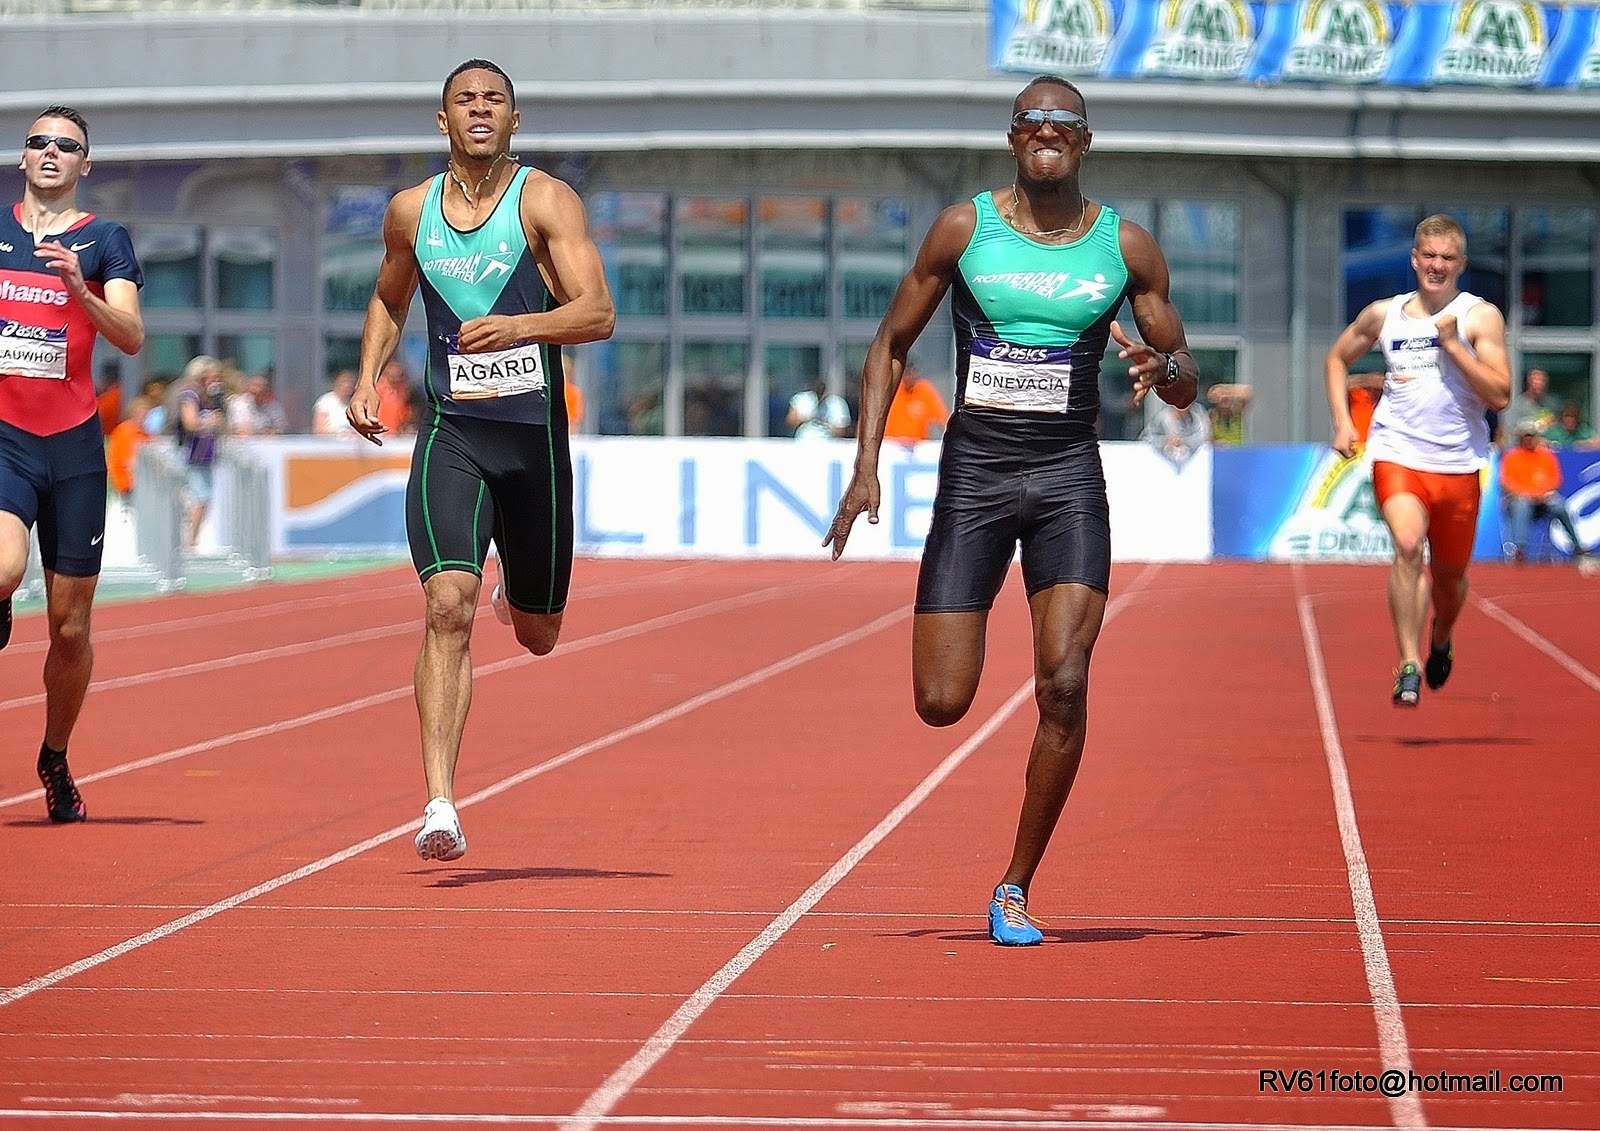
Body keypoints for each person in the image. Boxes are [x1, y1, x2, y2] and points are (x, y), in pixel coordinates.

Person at [824, 77, 1199, 946]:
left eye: (1063, 123)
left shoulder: (1127, 247)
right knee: (941, 701)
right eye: (1032, 121)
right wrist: (865, 465)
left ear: (1086, 141)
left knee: (1064, 680)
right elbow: (890, 344)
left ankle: (1014, 884)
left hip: (1068, 476)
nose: (1046, 132)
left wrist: (1161, 369)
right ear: (1012, 137)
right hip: (977, 477)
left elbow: (1181, 375)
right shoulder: (965, 230)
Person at [347, 59, 615, 862]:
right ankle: (439, 803)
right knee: (445, 606)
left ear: (515, 119)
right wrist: (366, 378)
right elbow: (391, 298)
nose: (479, 111)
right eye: (465, 101)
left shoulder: (544, 200)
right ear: (442, 122)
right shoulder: (409, 212)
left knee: (539, 635)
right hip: (452, 434)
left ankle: (518, 596)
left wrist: (522, 328)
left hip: (532, 443)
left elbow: (598, 312)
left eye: (493, 100)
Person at [0, 105, 145, 822]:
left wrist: (79, 290)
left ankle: (54, 755)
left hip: (76, 446)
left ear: (86, 165)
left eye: (68, 145)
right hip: (6, 437)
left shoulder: (105, 239)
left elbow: (133, 337)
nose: (52, 152)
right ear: (22, 157)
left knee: (69, 628)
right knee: (1, 567)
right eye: (39, 142)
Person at [1324, 214, 1511, 707]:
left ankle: (1442, 635)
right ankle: (1407, 662)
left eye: (1447, 258)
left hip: (1459, 464)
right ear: (1414, 258)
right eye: (1429, 255)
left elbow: (1502, 394)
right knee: (1407, 545)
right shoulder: (1385, 314)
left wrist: (1453, 345)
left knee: (1449, 581)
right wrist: (1343, 422)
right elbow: (1338, 357)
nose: (1436, 265)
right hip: (1397, 452)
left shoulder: (1479, 317)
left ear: (1461, 264)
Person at [1499, 419, 1589, 564]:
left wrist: (1541, 494)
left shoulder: (1545, 455)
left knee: (1559, 504)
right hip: (1521, 498)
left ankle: (1577, 546)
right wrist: (1528, 494)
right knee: (1521, 504)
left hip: (1543, 499)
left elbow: (1555, 480)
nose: (1529, 439)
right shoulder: (1512, 456)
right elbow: (1506, 483)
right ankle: (1521, 548)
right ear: (1520, 437)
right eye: (1526, 436)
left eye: (1532, 436)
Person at [175, 354, 225, 552]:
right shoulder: (190, 395)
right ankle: (189, 543)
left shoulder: (211, 398)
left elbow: (222, 423)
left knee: (203, 497)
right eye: (210, 377)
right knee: (199, 497)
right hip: (191, 453)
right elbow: (190, 422)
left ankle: (192, 540)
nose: (215, 382)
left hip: (206, 454)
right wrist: (208, 422)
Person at [882, 366, 950, 444]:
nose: (909, 377)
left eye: (912, 373)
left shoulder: (924, 390)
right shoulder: (893, 388)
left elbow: (943, 418)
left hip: (917, 445)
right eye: (906, 374)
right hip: (892, 444)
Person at [106, 395, 152, 504]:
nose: (144, 416)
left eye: (146, 413)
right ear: (134, 413)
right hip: (125, 484)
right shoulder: (125, 432)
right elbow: (126, 461)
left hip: (140, 483)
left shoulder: (146, 434)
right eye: (141, 413)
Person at [1498, 367, 1554, 448]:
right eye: (1535, 381)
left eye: (1542, 381)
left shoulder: (1550, 405)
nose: (1539, 384)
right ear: (1528, 382)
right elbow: (1510, 430)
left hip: (1545, 451)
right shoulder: (1517, 405)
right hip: (1521, 450)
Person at [226, 371, 288, 436]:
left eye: (259, 386)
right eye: (253, 385)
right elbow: (243, 431)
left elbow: (281, 427)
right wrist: (263, 433)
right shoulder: (239, 405)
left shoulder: (274, 406)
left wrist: (273, 432)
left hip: (270, 443)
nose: (255, 390)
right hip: (244, 444)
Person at [787, 378, 852, 439]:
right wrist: (806, 418)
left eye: (822, 391)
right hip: (804, 441)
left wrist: (825, 423)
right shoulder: (802, 400)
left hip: (828, 444)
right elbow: (790, 422)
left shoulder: (836, 404)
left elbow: (841, 432)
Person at [312, 369, 358, 436]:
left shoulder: (354, 403)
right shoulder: (325, 401)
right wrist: (342, 434)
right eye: (344, 382)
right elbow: (319, 430)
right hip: (330, 444)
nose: (347, 386)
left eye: (350, 383)